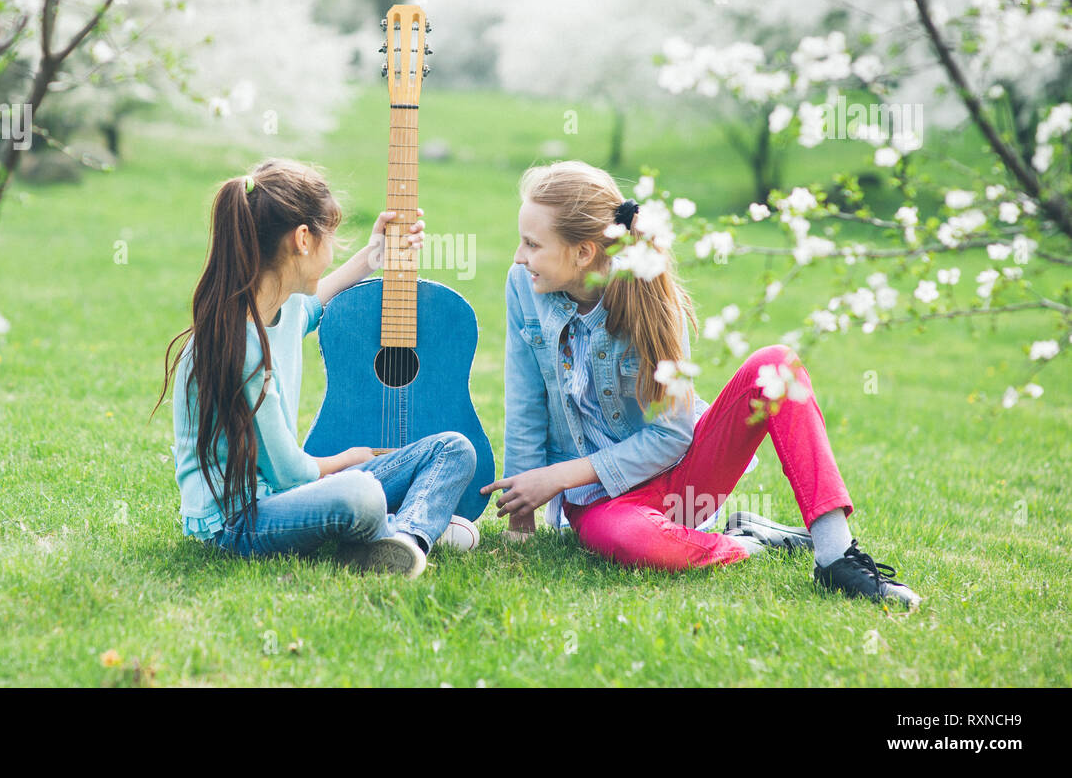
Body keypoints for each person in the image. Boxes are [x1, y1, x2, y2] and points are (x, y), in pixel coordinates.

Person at [481, 160, 921, 609]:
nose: (519, 256)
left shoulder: (648, 298)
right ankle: (751, 540)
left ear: (582, 253)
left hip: (684, 477)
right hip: (601, 503)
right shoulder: (523, 286)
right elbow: (525, 401)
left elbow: (670, 436)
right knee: (630, 541)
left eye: (532, 245)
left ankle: (835, 556)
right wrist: (521, 523)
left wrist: (556, 476)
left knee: (777, 367)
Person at [153, 158, 477, 578]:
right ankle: (403, 525)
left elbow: (320, 297)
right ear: (303, 239)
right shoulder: (239, 343)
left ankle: (405, 539)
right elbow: (288, 474)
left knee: (453, 448)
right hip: (238, 523)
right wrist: (348, 459)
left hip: (290, 496)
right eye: (332, 240)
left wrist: (373, 255)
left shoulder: (281, 310)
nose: (332, 253)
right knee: (360, 494)